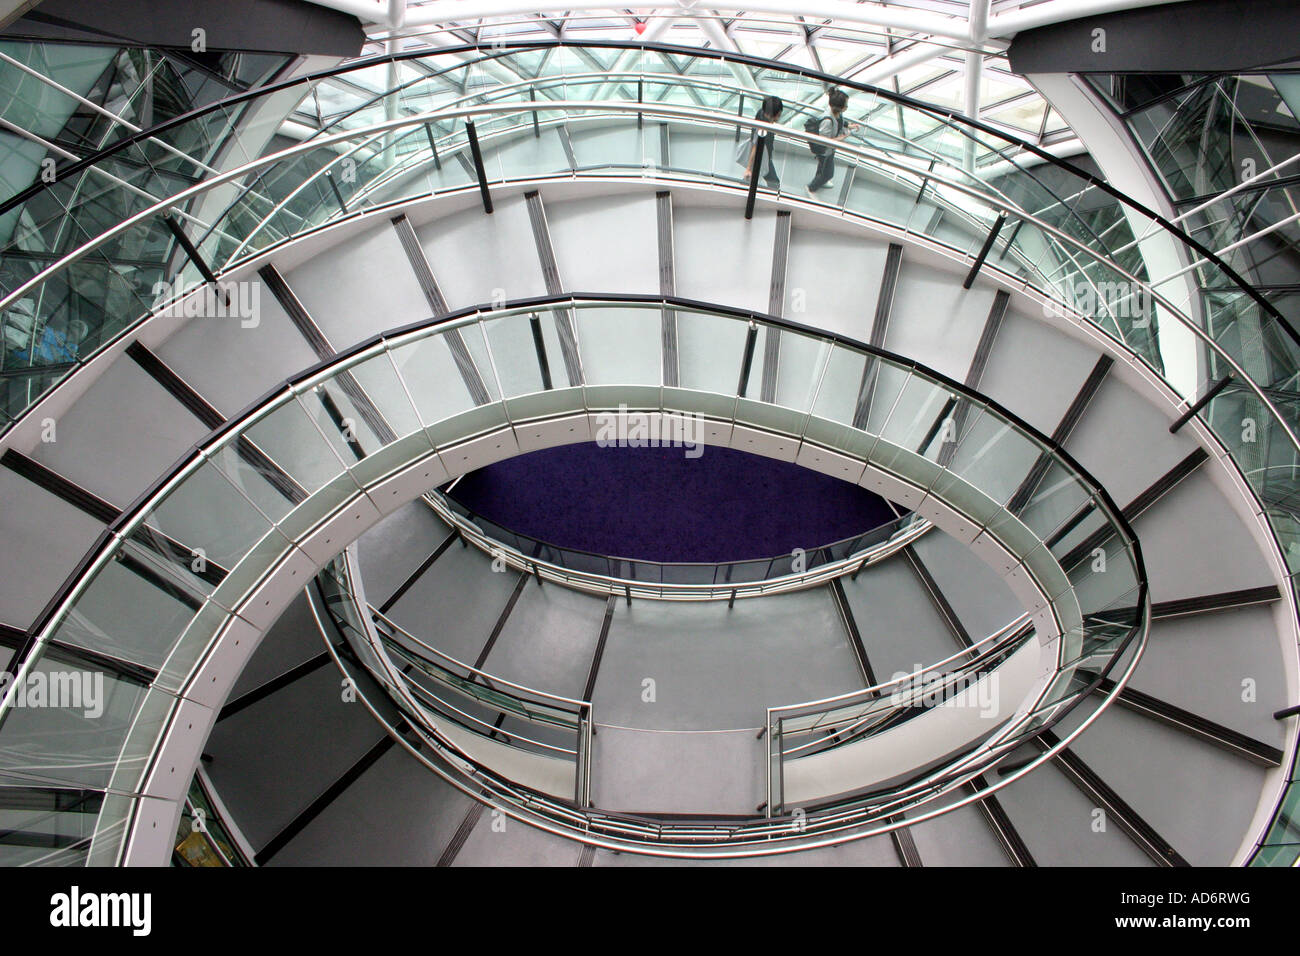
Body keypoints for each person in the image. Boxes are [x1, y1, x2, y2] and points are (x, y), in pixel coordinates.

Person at [807, 88, 860, 195]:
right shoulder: (827, 120)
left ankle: (820, 180)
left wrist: (849, 126)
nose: (847, 107)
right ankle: (811, 188)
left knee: (822, 167)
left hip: (829, 150)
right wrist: (842, 138)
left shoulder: (836, 113)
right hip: (825, 151)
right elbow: (824, 141)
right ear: (839, 107)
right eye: (846, 105)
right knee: (828, 173)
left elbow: (840, 122)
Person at [738, 95, 784, 188]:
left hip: (764, 154)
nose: (779, 116)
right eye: (778, 114)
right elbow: (756, 145)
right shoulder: (763, 127)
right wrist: (748, 168)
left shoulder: (761, 113)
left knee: (755, 175)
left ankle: (743, 185)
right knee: (774, 182)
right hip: (762, 156)